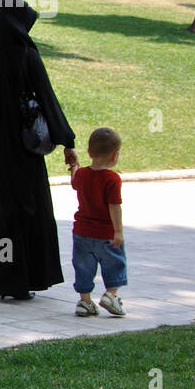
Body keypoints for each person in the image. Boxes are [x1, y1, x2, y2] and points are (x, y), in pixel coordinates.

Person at [0, 0, 78, 300]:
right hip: (21, 148)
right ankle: (18, 277)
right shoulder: (27, 56)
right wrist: (67, 142)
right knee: (26, 209)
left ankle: (3, 273)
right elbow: (48, 100)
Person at [69, 127, 126, 317]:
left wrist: (75, 167)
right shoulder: (112, 179)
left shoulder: (83, 174)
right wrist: (118, 231)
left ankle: (84, 301)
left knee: (83, 267)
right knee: (115, 264)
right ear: (115, 155)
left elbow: (75, 181)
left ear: (89, 152)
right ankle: (111, 295)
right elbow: (114, 206)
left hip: (82, 233)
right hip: (105, 233)